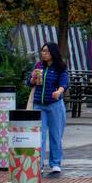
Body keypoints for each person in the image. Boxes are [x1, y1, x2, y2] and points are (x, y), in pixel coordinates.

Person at [30, 42, 69, 175]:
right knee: (38, 136)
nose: (43, 53)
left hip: (54, 105)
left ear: (53, 53)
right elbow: (28, 82)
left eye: (46, 51)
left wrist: (59, 91)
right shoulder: (38, 66)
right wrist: (32, 79)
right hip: (39, 104)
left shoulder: (60, 67)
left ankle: (55, 163)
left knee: (55, 134)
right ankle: (38, 164)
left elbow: (64, 82)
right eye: (42, 51)